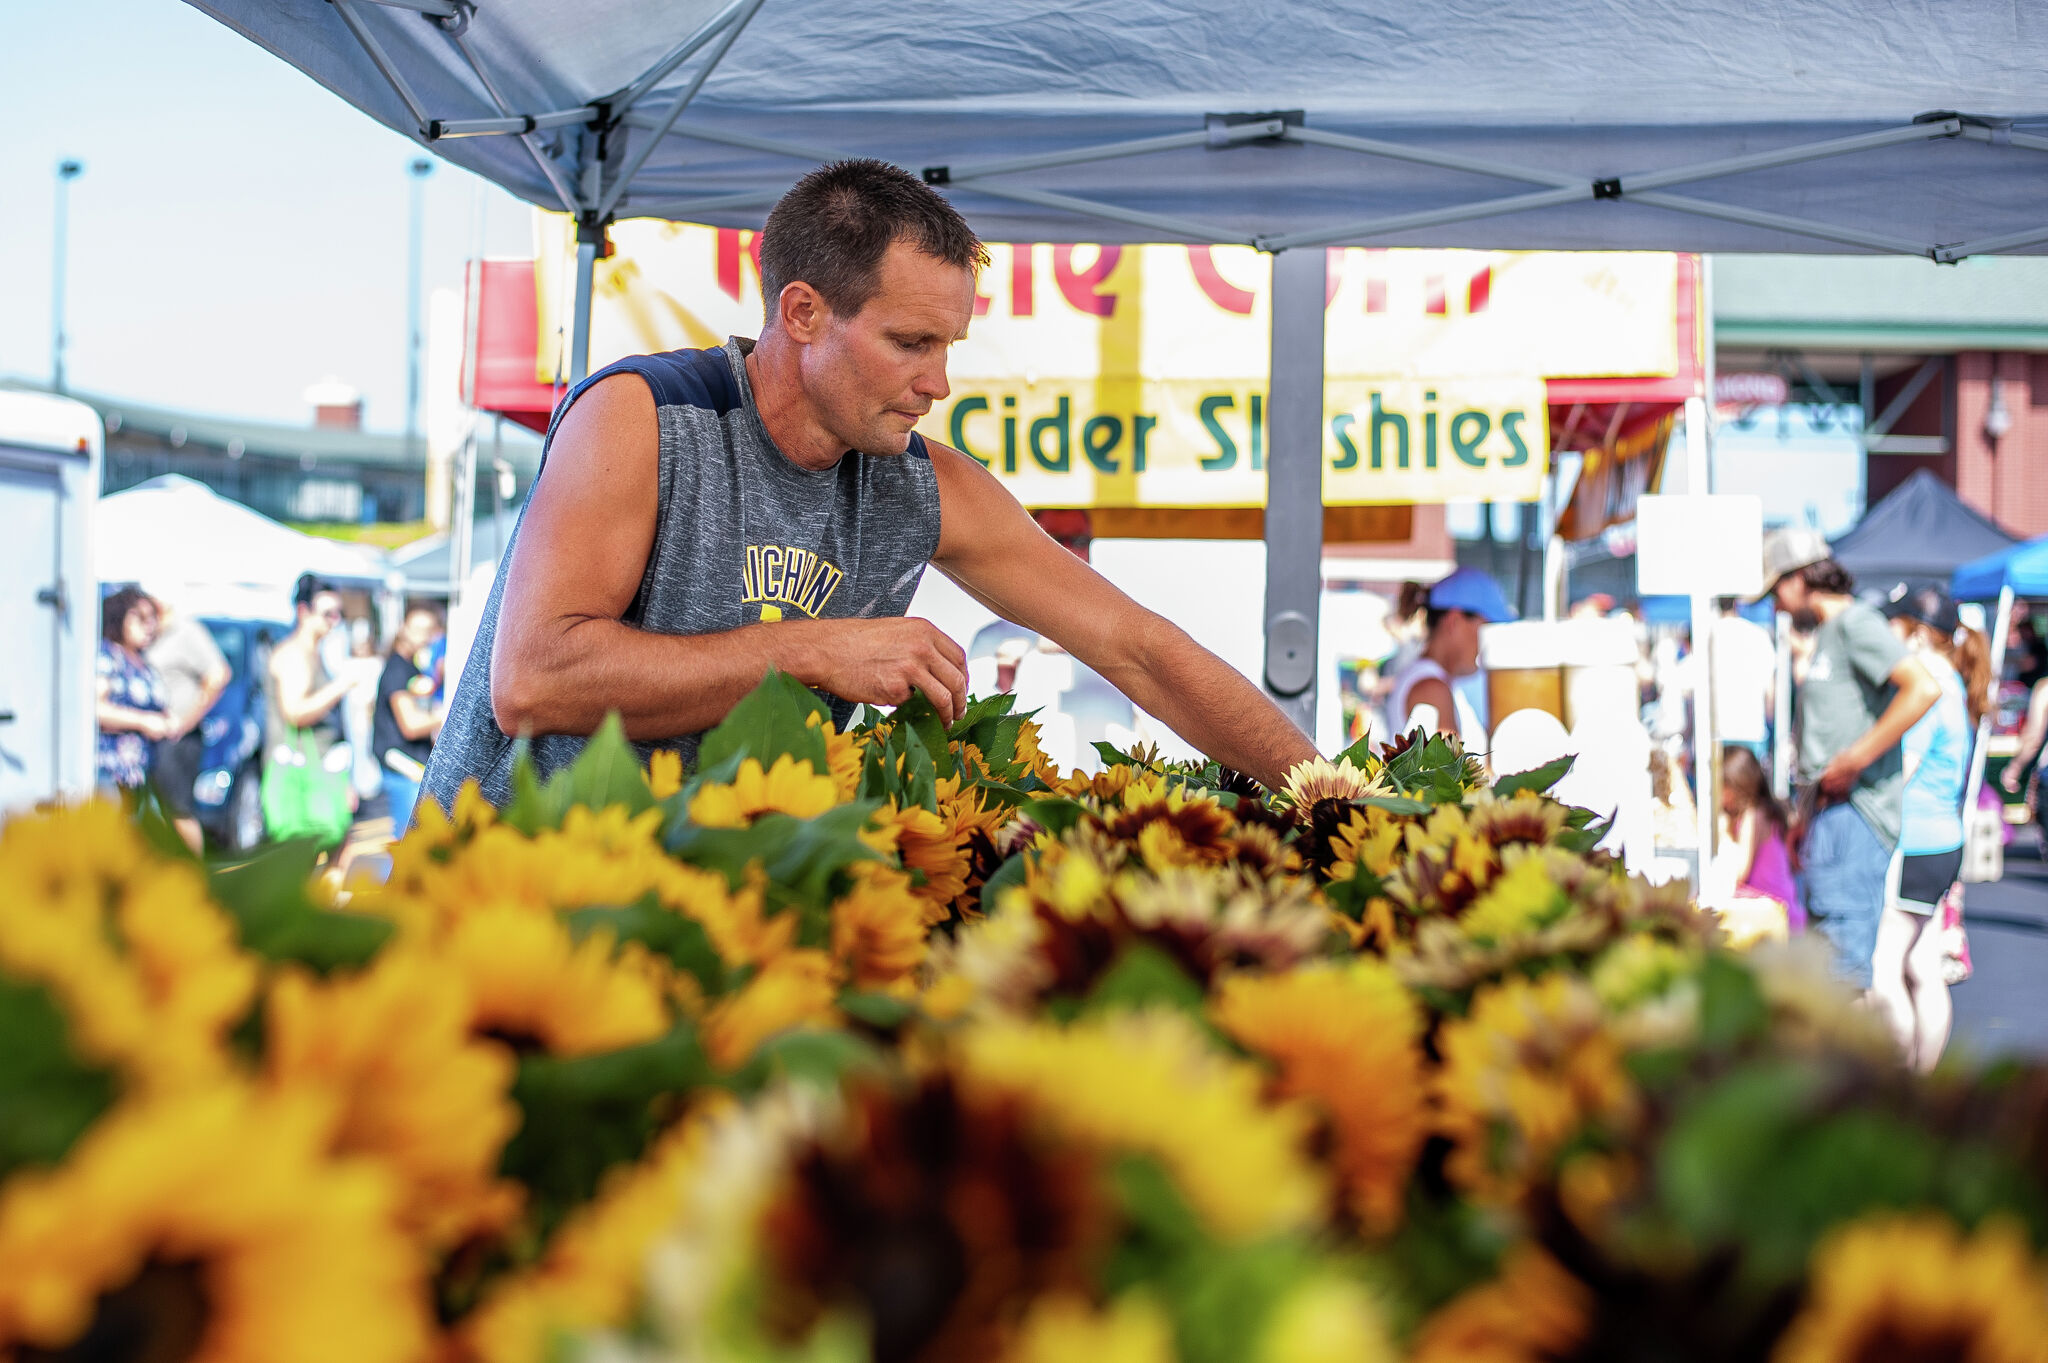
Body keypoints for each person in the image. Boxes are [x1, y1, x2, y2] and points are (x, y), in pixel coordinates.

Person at [421, 159, 1317, 812]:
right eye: (910, 344)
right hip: (503, 916)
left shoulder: (923, 484)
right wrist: (815, 651)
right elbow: (534, 678)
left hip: (714, 921)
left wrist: (1333, 797)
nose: (939, 384)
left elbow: (1140, 649)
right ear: (803, 312)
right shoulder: (644, 415)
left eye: (948, 348)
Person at [1761, 529, 1940, 989]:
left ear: (1801, 578)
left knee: (1840, 978)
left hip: (1854, 815)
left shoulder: (1856, 623)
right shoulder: (1831, 631)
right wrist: (1804, 815)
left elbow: (1922, 688)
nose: (1777, 606)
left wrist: (1854, 761)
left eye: (1777, 590)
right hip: (1832, 816)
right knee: (1829, 967)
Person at [1871, 587, 1983, 1071]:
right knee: (1923, 967)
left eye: (1895, 624)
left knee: (1882, 970)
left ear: (1915, 630)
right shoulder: (1953, 680)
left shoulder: (1927, 684)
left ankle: (1902, 1089)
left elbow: (1903, 770)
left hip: (1913, 841)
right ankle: (1926, 1081)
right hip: (1942, 840)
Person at [1384, 567, 1516, 746]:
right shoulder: (1432, 688)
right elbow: (1449, 772)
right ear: (1455, 621)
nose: (1488, 641)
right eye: (1486, 627)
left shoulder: (1434, 681)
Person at [147, 596, 233, 855]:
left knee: (178, 811)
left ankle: (194, 876)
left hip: (178, 738)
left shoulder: (185, 631)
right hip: (154, 735)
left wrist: (186, 722)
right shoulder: (152, 635)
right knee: (159, 812)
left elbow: (219, 674)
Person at [268, 576, 357, 804]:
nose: (335, 621)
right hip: (302, 783)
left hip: (318, 776)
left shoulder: (313, 652)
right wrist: (339, 687)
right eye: (328, 613)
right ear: (303, 611)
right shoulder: (294, 655)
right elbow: (295, 712)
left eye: (339, 613)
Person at [1717, 746, 1800, 943]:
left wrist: (1720, 824)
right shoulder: (1756, 813)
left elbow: (1739, 871)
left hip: (1775, 913)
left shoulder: (1755, 815)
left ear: (1738, 785)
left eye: (1721, 787)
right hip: (1769, 908)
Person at [374, 606, 446, 826]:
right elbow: (411, 725)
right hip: (404, 766)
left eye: (428, 630)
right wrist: (446, 716)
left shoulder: (410, 667)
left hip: (410, 764)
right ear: (404, 629)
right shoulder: (398, 669)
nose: (423, 636)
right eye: (418, 629)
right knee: (409, 839)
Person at [96, 586, 168, 799]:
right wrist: (143, 721)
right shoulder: (108, 656)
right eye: (141, 619)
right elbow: (96, 709)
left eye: (152, 620)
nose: (149, 627)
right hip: (111, 773)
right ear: (119, 619)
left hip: (141, 775)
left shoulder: (142, 663)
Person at [1711, 597, 1777, 760]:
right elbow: (1770, 692)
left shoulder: (1708, 634)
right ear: (1736, 603)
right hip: (1752, 730)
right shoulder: (1758, 635)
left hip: (1716, 732)